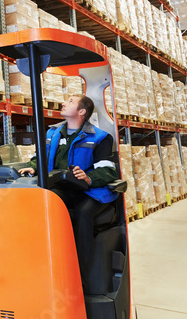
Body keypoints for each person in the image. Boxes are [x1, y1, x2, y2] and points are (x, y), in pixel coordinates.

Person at [18, 94, 119, 286]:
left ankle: (80, 275)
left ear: (82, 111)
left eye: (71, 101)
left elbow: (107, 170)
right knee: (40, 205)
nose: (64, 103)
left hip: (88, 191)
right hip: (61, 187)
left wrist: (89, 177)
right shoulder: (52, 133)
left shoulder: (100, 138)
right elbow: (40, 158)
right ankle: (42, 265)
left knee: (83, 213)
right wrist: (33, 167)